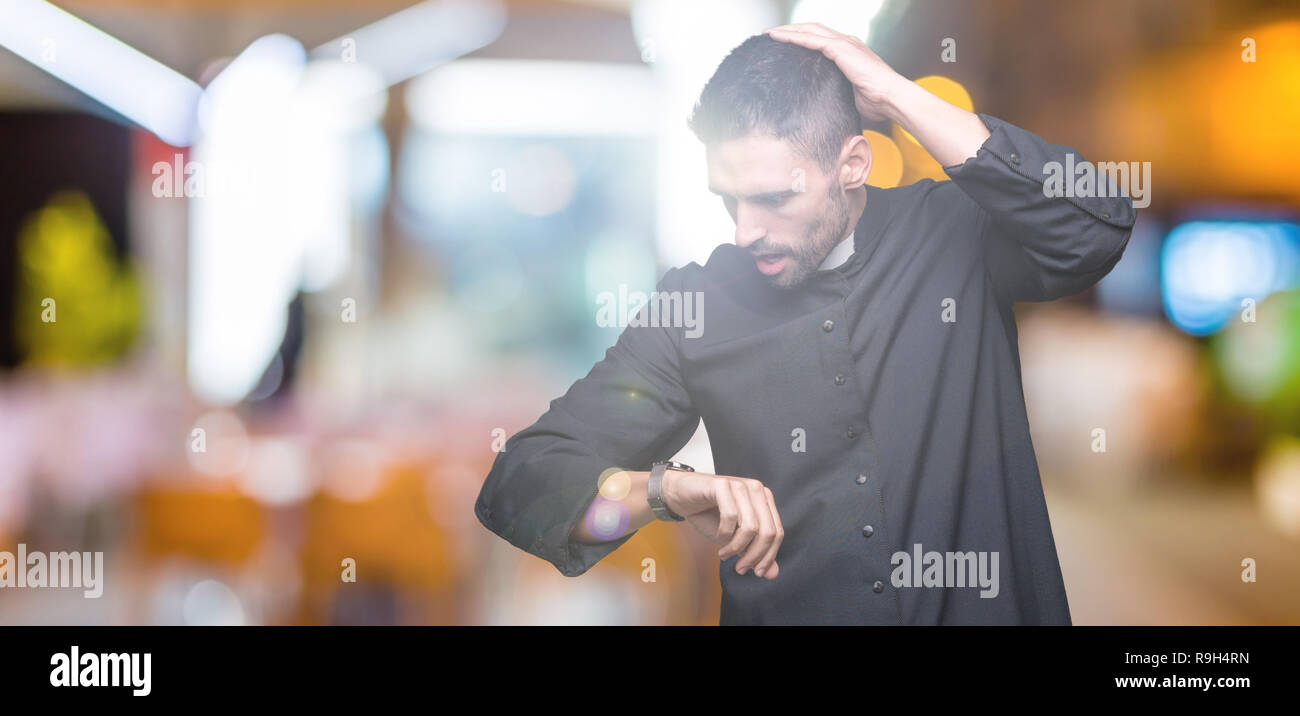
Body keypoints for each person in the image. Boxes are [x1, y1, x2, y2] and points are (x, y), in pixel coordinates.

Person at [475, 24, 1136, 624]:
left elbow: (1094, 227)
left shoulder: (957, 234)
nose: (744, 229)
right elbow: (522, 481)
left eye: (774, 197)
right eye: (727, 198)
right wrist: (664, 490)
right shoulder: (697, 306)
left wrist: (898, 94)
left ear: (852, 164)